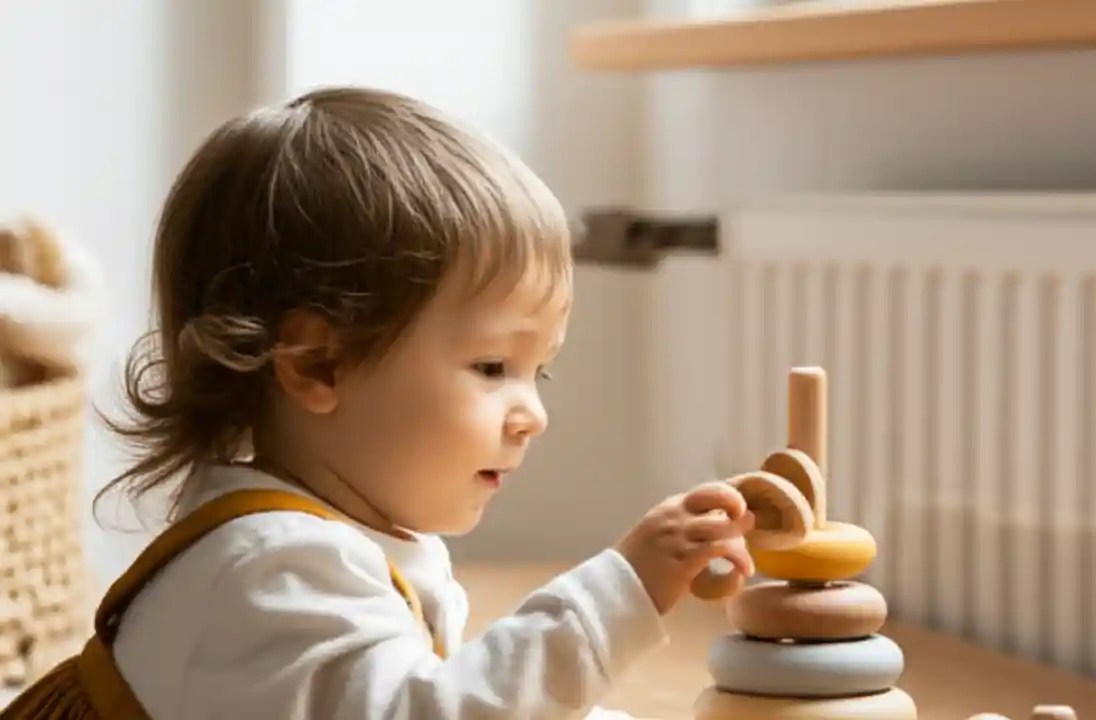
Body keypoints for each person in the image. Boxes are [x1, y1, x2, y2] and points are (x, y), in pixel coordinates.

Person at [96, 86, 756, 719]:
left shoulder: (328, 546)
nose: (533, 415)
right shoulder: (268, 571)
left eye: (539, 374)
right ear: (318, 364)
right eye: (493, 367)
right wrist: (620, 592)